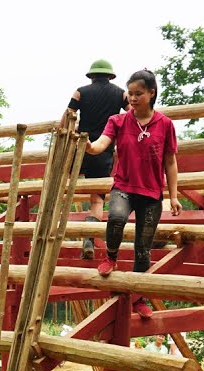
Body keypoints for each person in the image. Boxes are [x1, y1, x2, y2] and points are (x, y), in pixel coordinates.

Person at [85, 68, 181, 319]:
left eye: (139, 93)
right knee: (116, 217)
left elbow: (170, 162)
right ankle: (111, 256)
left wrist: (174, 196)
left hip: (151, 193)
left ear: (151, 93)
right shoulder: (117, 121)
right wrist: (89, 147)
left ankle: (138, 299)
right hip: (124, 186)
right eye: (130, 94)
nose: (133, 98)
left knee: (143, 249)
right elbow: (100, 145)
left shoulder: (165, 124)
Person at [66, 60, 128, 259]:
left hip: (81, 149)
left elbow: (69, 115)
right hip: (103, 150)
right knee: (97, 200)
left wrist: (65, 134)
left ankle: (58, 224)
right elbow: (134, 114)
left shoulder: (80, 92)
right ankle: (89, 237)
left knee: (64, 186)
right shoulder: (120, 94)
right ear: (110, 76)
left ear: (91, 76)